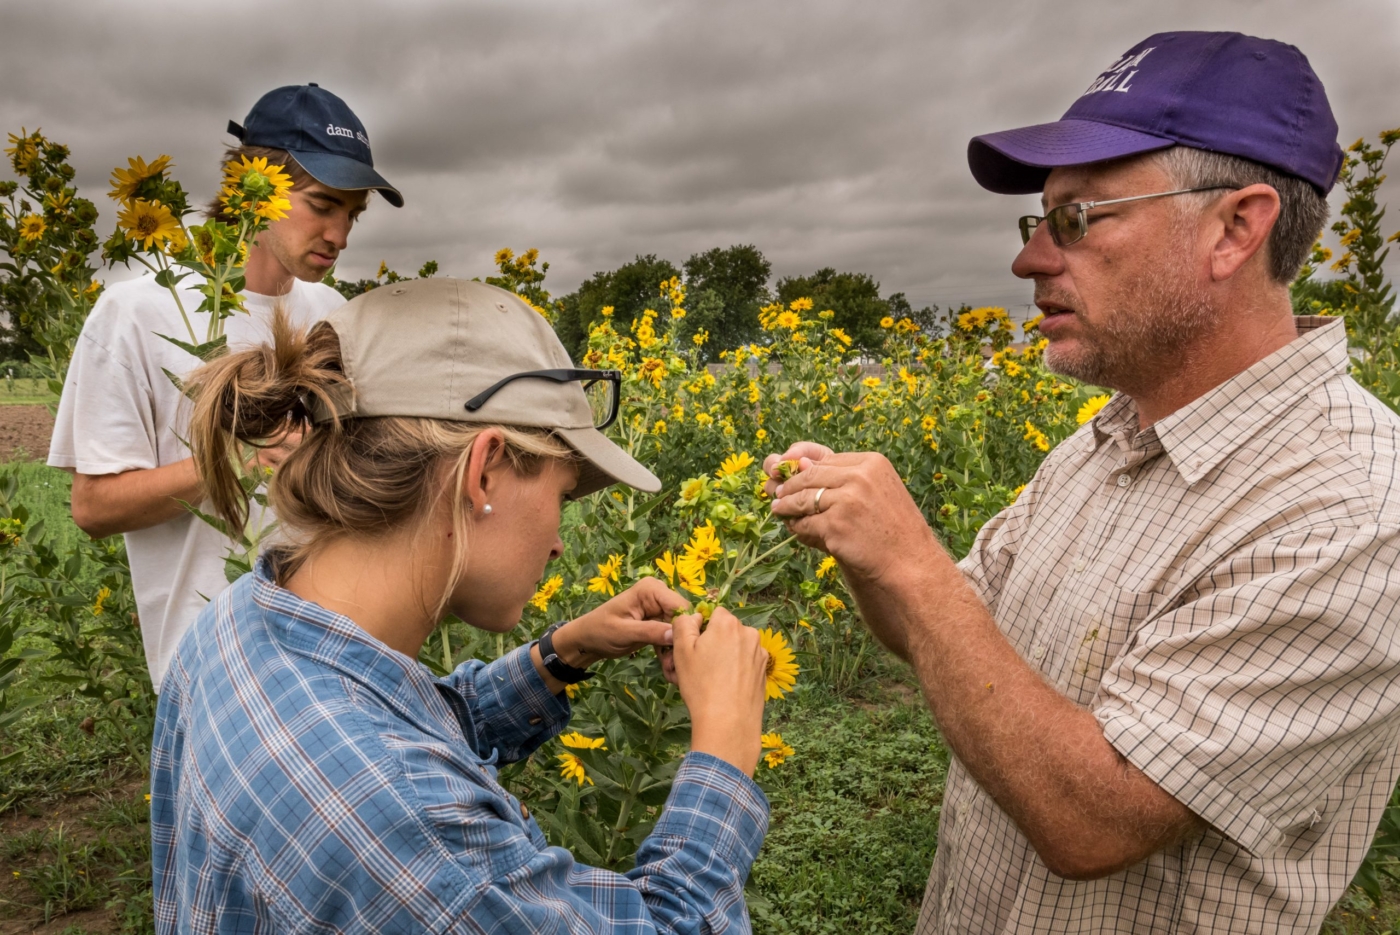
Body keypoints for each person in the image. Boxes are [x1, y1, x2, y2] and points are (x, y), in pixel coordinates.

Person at [764, 31, 1400, 934]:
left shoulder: (1355, 506)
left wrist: (911, 561)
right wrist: (863, 543)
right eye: (1038, 220)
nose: (1029, 261)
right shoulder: (1108, 439)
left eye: (1077, 218)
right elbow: (940, 628)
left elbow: (1094, 820)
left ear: (1236, 227)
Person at [149, 277, 772, 933]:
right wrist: (725, 748)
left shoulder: (236, 620)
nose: (560, 542)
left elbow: (405, 726)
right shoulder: (416, 833)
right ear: (485, 471)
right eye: (562, 493)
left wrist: (562, 653)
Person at [48, 83, 402, 691]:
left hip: (333, 647)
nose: (340, 235)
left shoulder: (334, 313)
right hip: (212, 664)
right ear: (249, 187)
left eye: (353, 213)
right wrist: (241, 461)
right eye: (323, 204)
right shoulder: (138, 311)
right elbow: (94, 507)